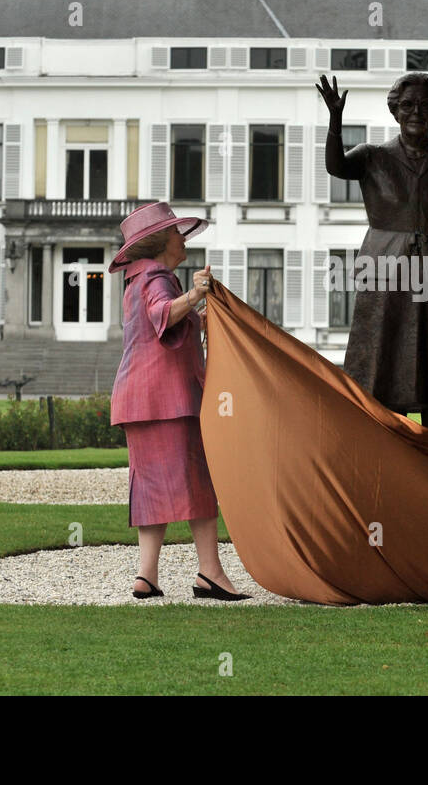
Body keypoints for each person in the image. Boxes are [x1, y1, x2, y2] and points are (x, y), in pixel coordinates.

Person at [108, 201, 250, 601]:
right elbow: (162, 314)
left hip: (137, 401)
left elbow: (167, 324)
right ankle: (210, 573)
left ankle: (146, 576)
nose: (181, 237)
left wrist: (198, 313)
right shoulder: (157, 277)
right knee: (198, 482)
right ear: (160, 241)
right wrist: (195, 294)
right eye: (175, 231)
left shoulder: (137, 279)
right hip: (169, 400)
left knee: (150, 486)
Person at [315, 72, 428, 430]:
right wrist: (335, 121)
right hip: (382, 270)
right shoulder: (373, 156)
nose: (416, 112)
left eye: (425, 106)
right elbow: (337, 166)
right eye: (408, 105)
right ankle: (387, 450)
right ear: (395, 111)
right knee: (383, 360)